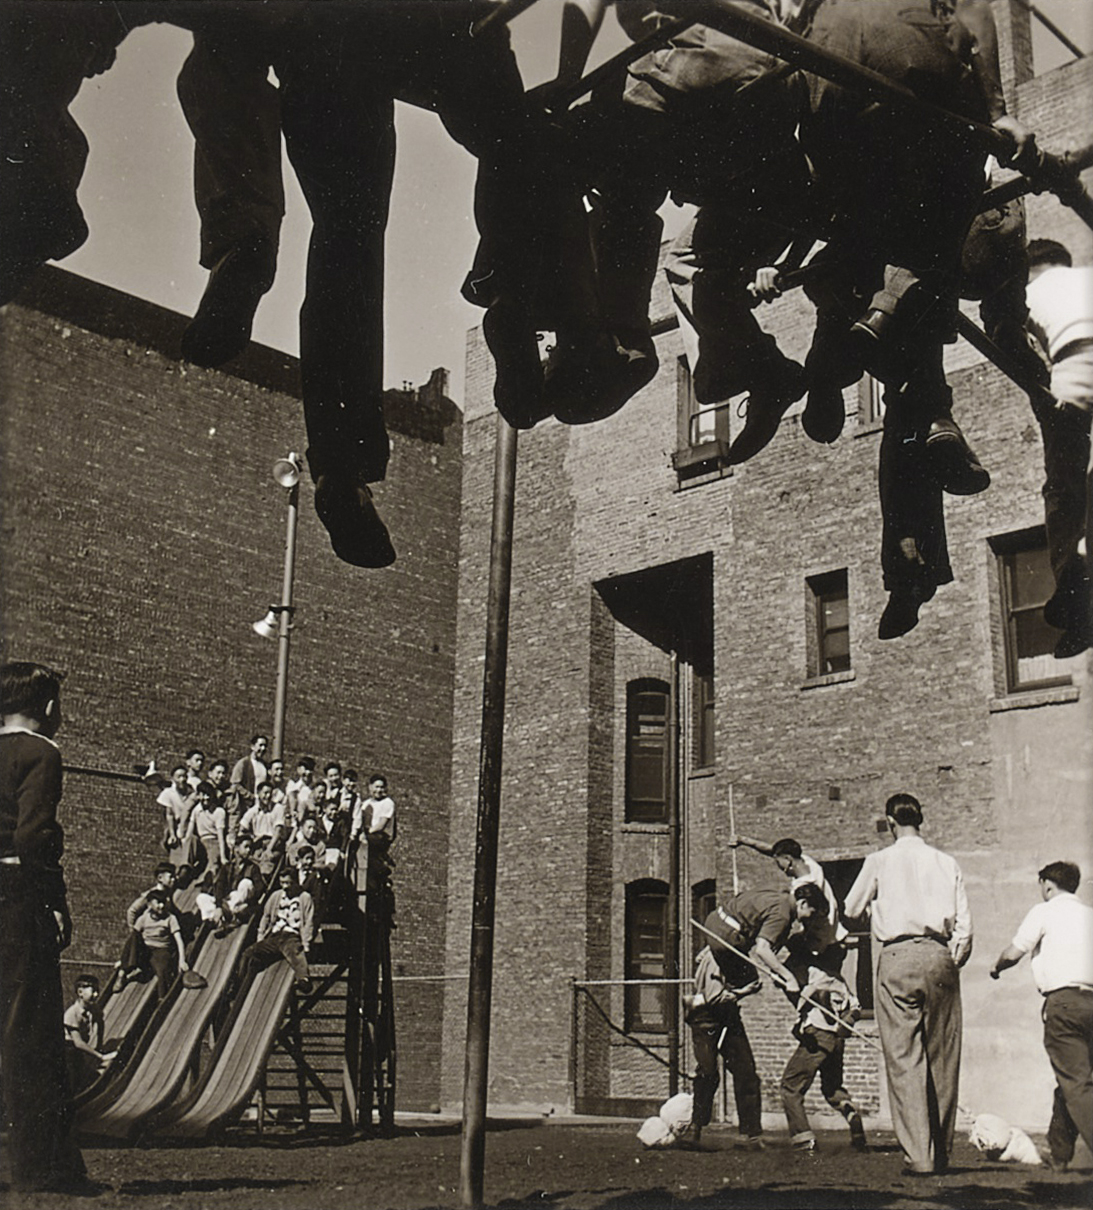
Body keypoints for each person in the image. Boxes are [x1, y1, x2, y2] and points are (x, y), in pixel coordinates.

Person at [843, 792, 972, 1176]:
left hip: (897, 957)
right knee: (943, 1060)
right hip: (939, 955)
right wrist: (950, 961)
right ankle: (942, 1153)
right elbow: (965, 929)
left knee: (904, 1060)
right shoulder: (946, 862)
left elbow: (850, 910)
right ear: (921, 819)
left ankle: (919, 1156)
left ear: (889, 821)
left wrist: (876, 907)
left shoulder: (879, 861)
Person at [0, 661, 88, 1193]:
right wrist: (54, 901)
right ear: (49, 708)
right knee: (30, 1033)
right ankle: (44, 1169)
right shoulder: (41, 753)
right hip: (16, 896)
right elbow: (35, 835)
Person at [686, 883, 822, 1146]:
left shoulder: (734, 949)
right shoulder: (717, 956)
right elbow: (715, 994)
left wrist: (746, 990)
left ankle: (752, 1134)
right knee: (708, 1071)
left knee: (746, 1070)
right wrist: (755, 987)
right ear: (803, 904)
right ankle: (695, 1128)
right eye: (811, 913)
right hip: (704, 1016)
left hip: (727, 1014)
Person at [989, 860, 1093, 1172]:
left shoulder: (1044, 911)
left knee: (1076, 1082)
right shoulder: (1090, 915)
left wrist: (996, 967)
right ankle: (1059, 1155)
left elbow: (1015, 951)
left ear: (1048, 884)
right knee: (1074, 1080)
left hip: (1063, 1003)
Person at [1025, 239, 1093, 658]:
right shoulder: (1086, 278)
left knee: (1065, 483)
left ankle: (1075, 575)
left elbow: (1016, 346)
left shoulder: (1029, 290)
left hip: (1074, 365)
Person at [779, 946, 866, 1153]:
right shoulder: (841, 981)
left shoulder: (812, 973)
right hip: (836, 1040)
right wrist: (847, 1020)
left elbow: (783, 978)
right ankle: (852, 1116)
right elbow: (856, 1008)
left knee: (790, 1087)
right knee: (832, 1088)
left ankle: (803, 1139)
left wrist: (811, 997)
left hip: (818, 1036)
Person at [240, 866, 315, 993]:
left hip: (291, 935)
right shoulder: (276, 896)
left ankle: (304, 980)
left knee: (294, 953)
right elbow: (266, 916)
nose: (285, 886)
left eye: (288, 883)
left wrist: (306, 944)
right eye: (282, 883)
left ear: (295, 882)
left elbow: (308, 922)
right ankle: (240, 982)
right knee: (249, 952)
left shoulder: (304, 897)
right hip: (275, 936)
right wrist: (260, 936)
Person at [118, 887, 189, 999]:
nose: (161, 906)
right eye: (158, 903)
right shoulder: (143, 918)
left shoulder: (170, 918)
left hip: (161, 950)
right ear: (150, 904)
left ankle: (162, 998)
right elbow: (133, 939)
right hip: (146, 950)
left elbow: (178, 940)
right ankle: (122, 973)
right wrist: (124, 958)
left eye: (163, 903)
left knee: (163, 972)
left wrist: (182, 960)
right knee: (134, 936)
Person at [63, 975, 116, 1093]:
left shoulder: (93, 1008)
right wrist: (100, 1056)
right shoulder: (72, 1014)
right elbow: (78, 1043)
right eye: (93, 991)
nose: (96, 995)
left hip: (78, 1050)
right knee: (73, 1078)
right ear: (80, 992)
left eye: (97, 991)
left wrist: (99, 1045)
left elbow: (100, 1021)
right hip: (68, 1048)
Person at [228, 734, 268, 846]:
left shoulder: (264, 765)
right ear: (252, 746)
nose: (263, 749)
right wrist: (250, 796)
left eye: (265, 746)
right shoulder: (243, 763)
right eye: (260, 745)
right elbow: (235, 784)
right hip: (244, 805)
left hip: (260, 806)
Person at [158, 762, 198, 870]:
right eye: (178, 777)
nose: (182, 779)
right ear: (173, 779)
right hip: (175, 826)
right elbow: (169, 815)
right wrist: (172, 834)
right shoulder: (168, 793)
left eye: (184, 776)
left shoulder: (192, 791)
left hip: (190, 825)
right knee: (175, 848)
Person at [184, 780, 228, 878]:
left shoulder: (219, 812)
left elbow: (221, 837)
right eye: (203, 795)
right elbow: (189, 833)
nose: (206, 798)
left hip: (213, 842)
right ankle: (184, 869)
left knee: (212, 867)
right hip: (201, 842)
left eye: (208, 795)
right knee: (192, 839)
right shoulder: (196, 810)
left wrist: (223, 856)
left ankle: (207, 880)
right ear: (198, 796)